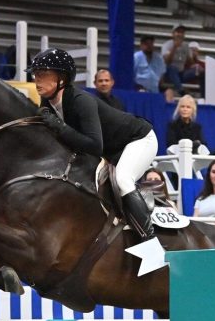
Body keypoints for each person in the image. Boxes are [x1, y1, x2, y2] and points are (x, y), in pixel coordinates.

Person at [30, 48, 159, 244]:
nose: (36, 79)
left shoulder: (81, 101)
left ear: (61, 79)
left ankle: (150, 242)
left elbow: (94, 145)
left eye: (43, 74)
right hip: (113, 148)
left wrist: (58, 126)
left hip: (139, 139)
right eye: (35, 74)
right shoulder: (47, 101)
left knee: (124, 180)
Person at [161, 24, 192, 93]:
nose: (180, 34)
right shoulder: (167, 45)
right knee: (171, 68)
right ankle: (181, 90)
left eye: (182, 32)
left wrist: (191, 56)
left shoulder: (186, 46)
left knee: (197, 70)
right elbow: (167, 61)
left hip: (181, 73)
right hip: (169, 73)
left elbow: (190, 63)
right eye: (178, 32)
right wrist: (174, 48)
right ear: (173, 34)